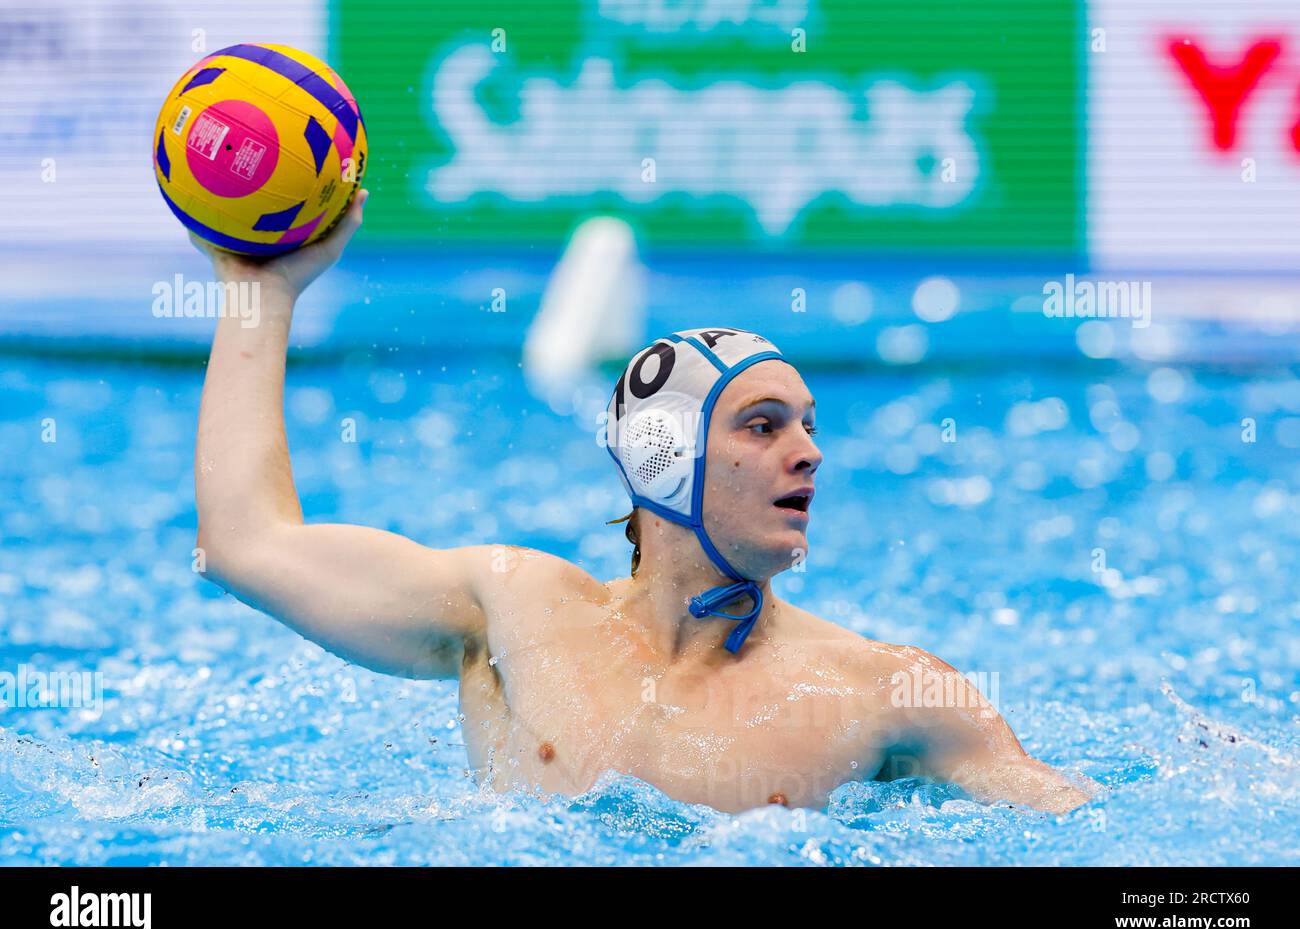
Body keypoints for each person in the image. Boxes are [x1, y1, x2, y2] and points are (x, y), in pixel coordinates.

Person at [189, 188, 1097, 815]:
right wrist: (259, 291)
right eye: (763, 425)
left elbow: (1095, 837)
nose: (810, 452)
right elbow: (245, 543)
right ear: (664, 457)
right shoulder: (509, 614)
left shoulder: (886, 694)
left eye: (809, 426)